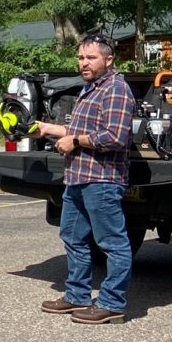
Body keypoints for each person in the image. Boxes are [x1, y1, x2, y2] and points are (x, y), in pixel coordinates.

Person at [35, 33, 135, 325]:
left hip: (102, 180)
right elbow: (80, 127)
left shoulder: (115, 89)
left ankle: (112, 303)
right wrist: (50, 129)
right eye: (81, 57)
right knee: (73, 237)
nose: (84, 63)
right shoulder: (90, 88)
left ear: (108, 59)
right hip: (78, 177)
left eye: (91, 58)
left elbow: (115, 137)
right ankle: (77, 295)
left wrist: (75, 141)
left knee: (112, 243)